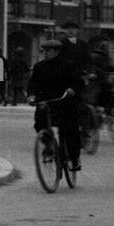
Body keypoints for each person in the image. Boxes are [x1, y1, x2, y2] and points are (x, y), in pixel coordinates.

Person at [28, 38, 83, 171]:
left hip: (65, 102)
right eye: (44, 51)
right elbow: (32, 84)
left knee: (70, 130)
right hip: (46, 102)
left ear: (57, 51)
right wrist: (31, 95)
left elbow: (78, 82)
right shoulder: (39, 67)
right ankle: (50, 146)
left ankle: (74, 159)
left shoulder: (69, 65)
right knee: (40, 124)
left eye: (49, 51)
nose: (46, 53)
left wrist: (72, 90)